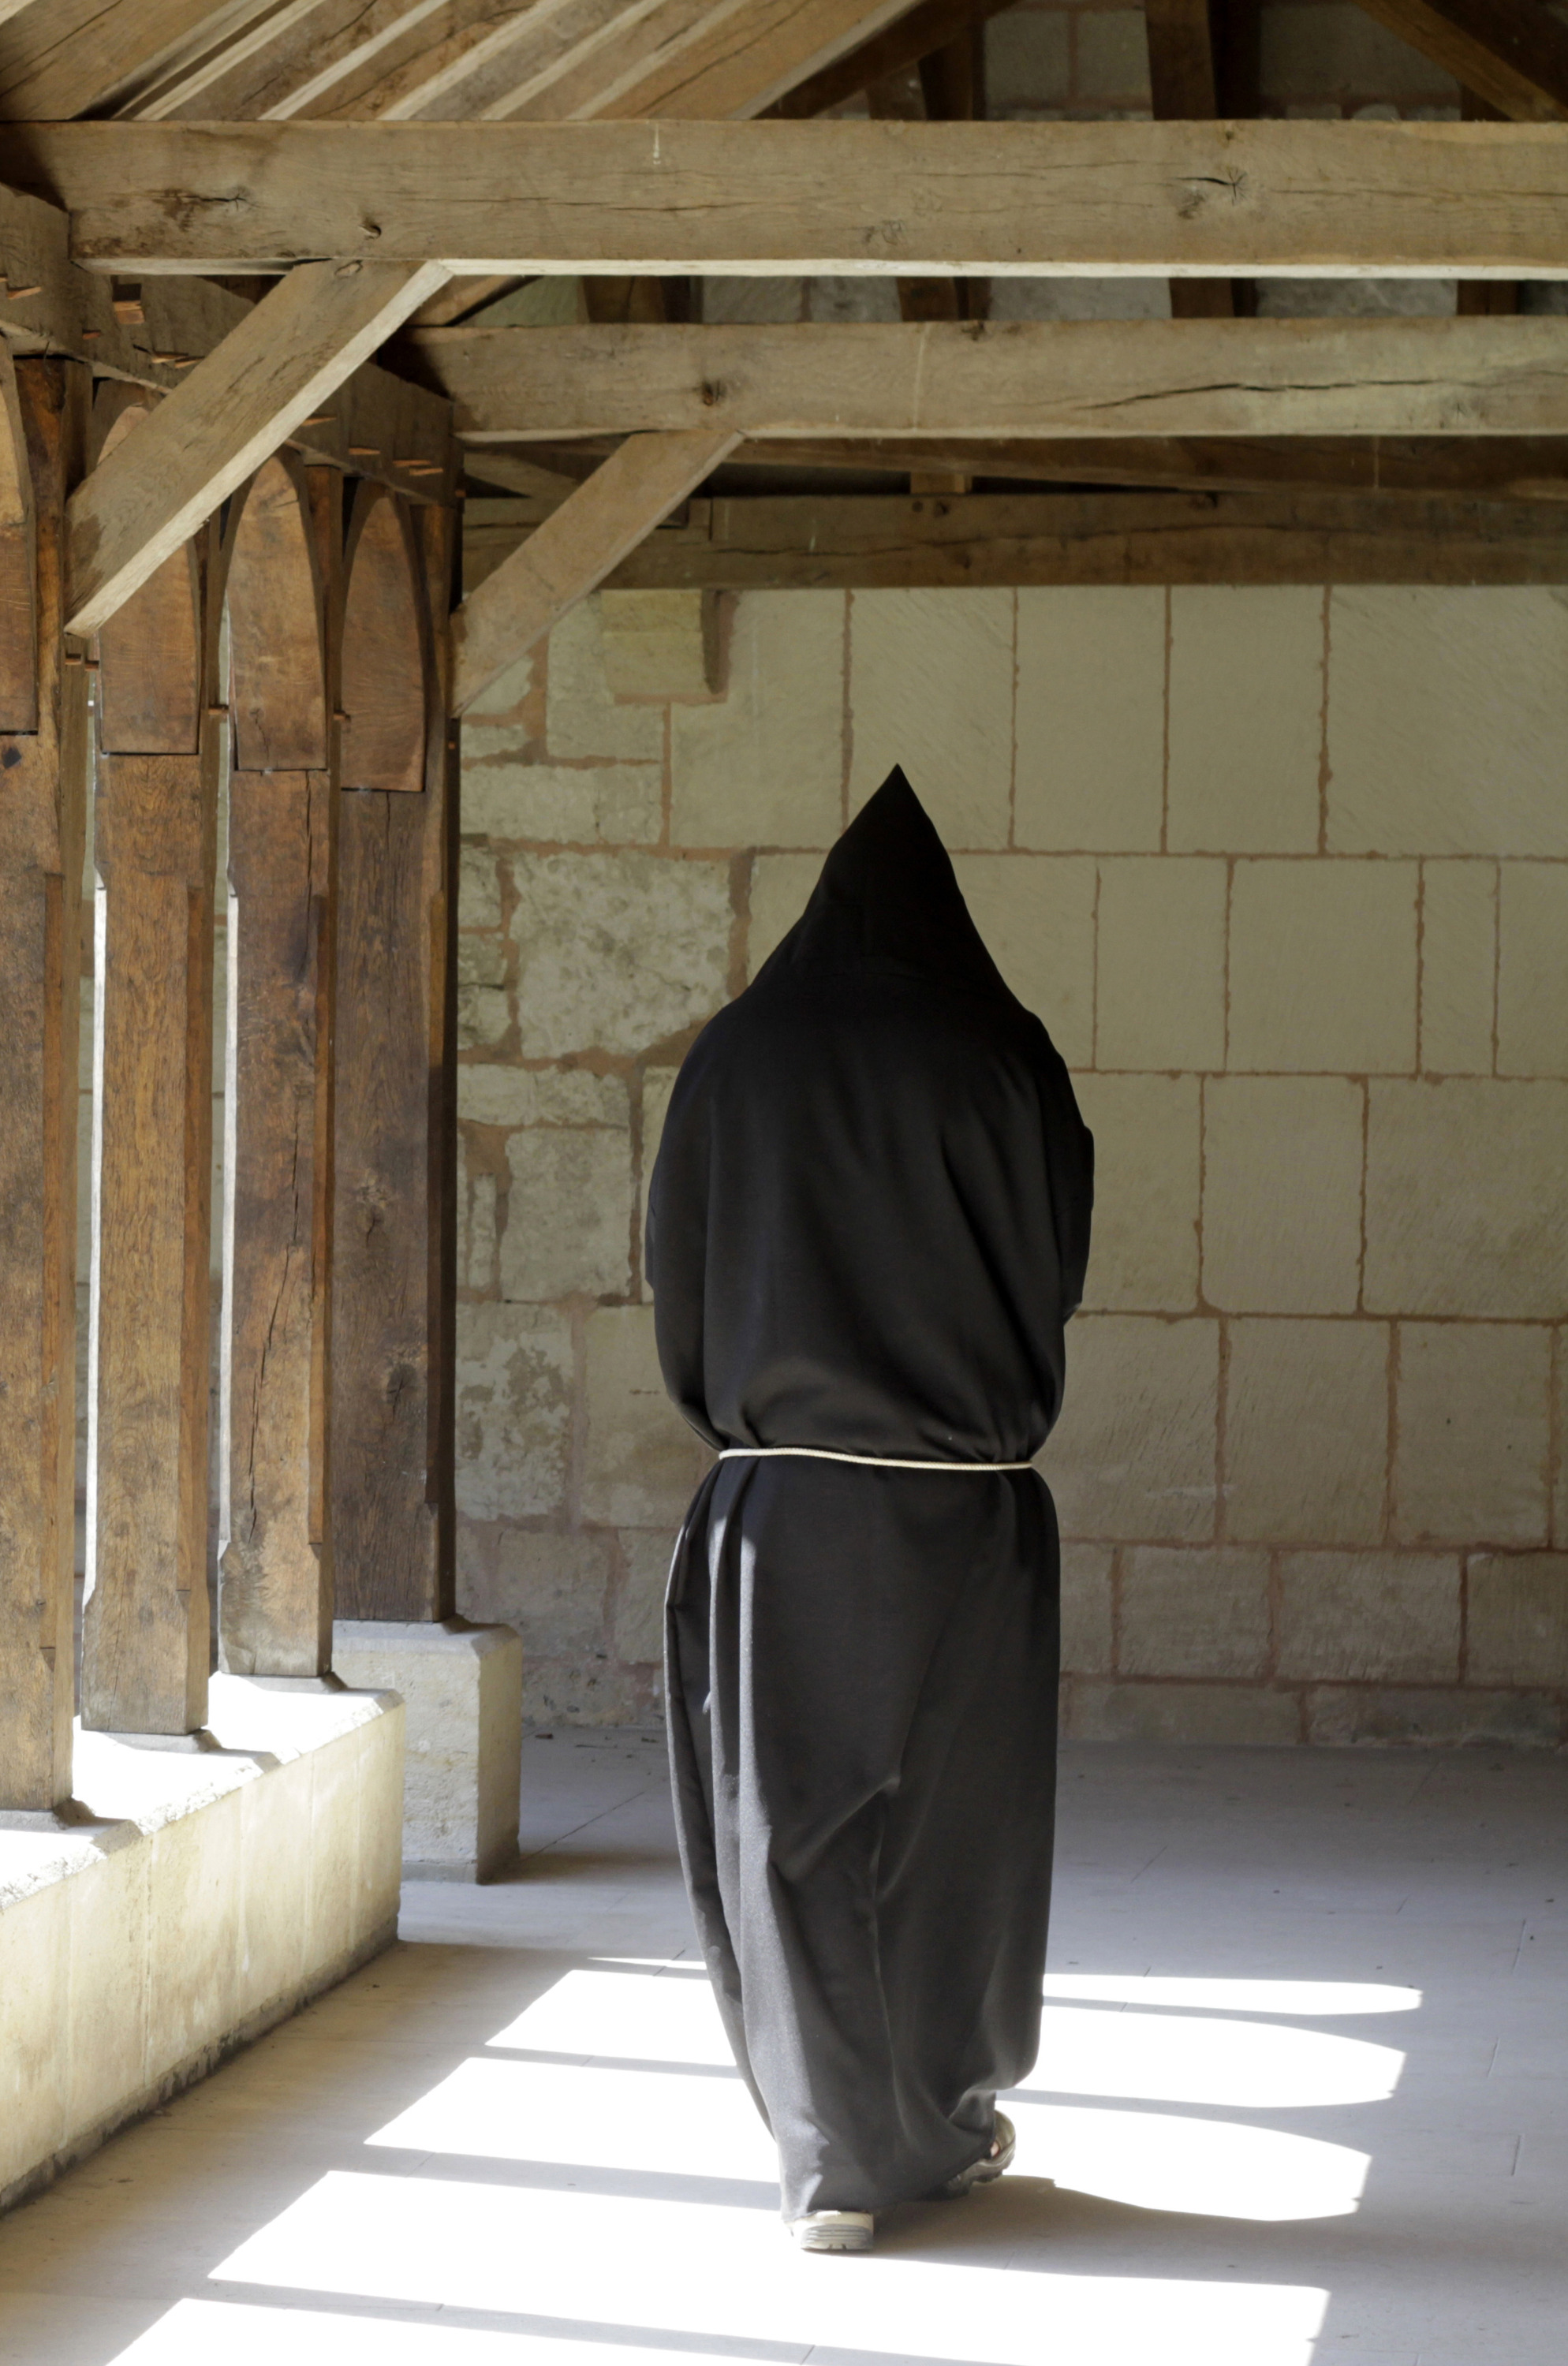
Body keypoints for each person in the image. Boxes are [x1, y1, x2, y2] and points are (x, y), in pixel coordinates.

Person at [644, 770, 1094, 2253]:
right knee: (961, 1840)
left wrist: (752, 1411)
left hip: (784, 1519)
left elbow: (682, 1282)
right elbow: (1056, 1260)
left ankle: (830, 2159)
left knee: (795, 1838)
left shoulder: (738, 1055)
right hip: (970, 1516)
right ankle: (941, 2122)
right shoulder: (1000, 1051)